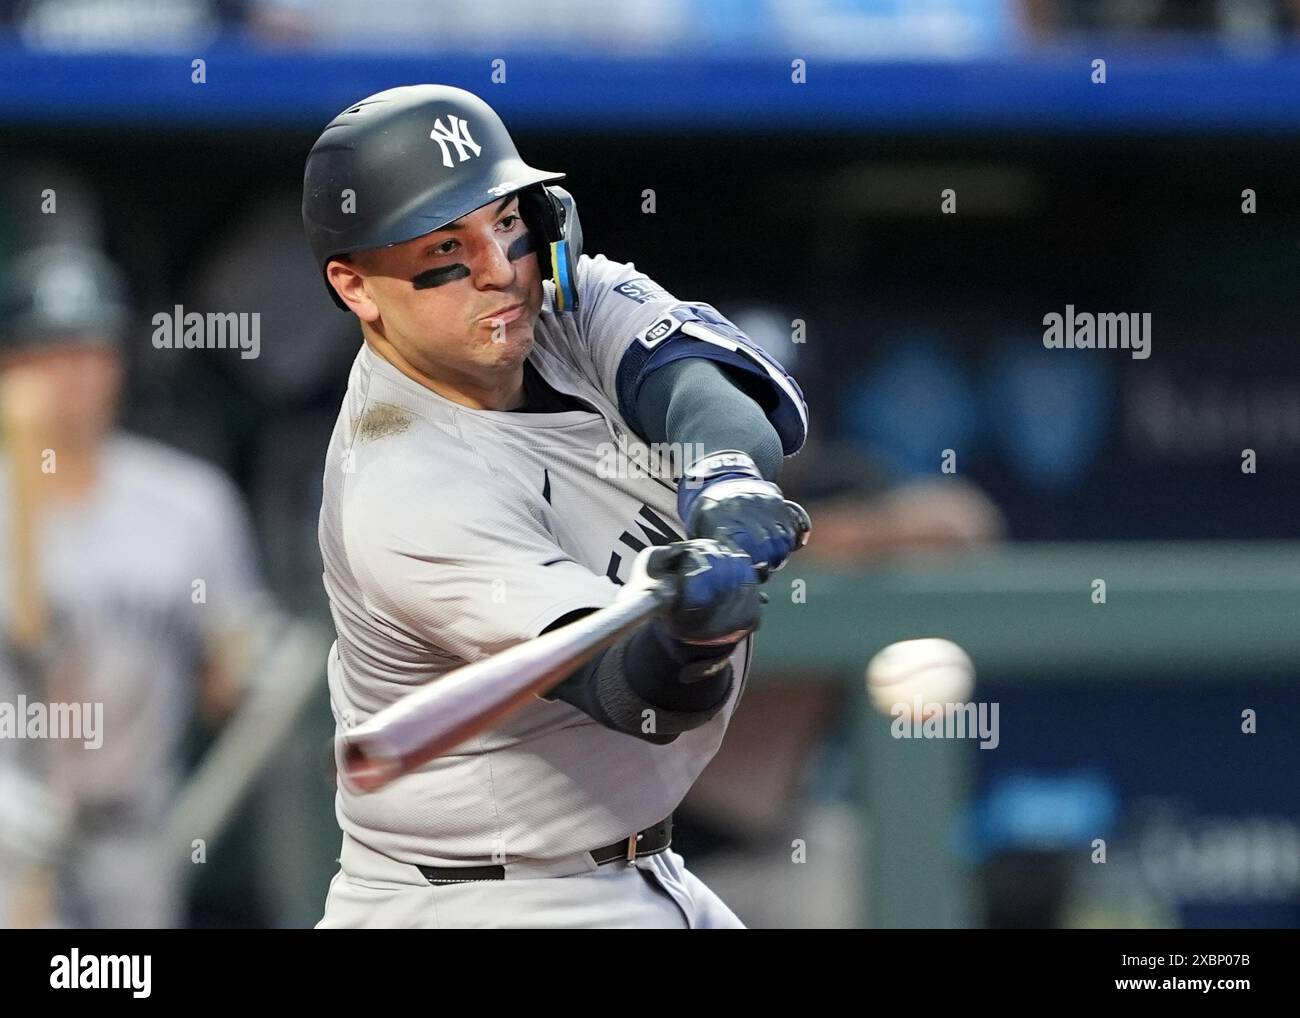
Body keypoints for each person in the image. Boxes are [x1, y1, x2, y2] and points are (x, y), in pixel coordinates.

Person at [303, 84, 810, 929]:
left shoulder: (557, 307)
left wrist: (727, 480)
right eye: (446, 248)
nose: (499, 269)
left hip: (636, 868)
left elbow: (699, 392)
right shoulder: (402, 488)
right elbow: (636, 694)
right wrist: (696, 635)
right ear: (358, 287)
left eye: (507, 222)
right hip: (483, 898)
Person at [0, 243, 268, 927]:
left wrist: (255, 663)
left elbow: (229, 673)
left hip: (136, 840)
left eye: (91, 351)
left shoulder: (188, 502)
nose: (73, 377)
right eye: (49, 353)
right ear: (10, 367)